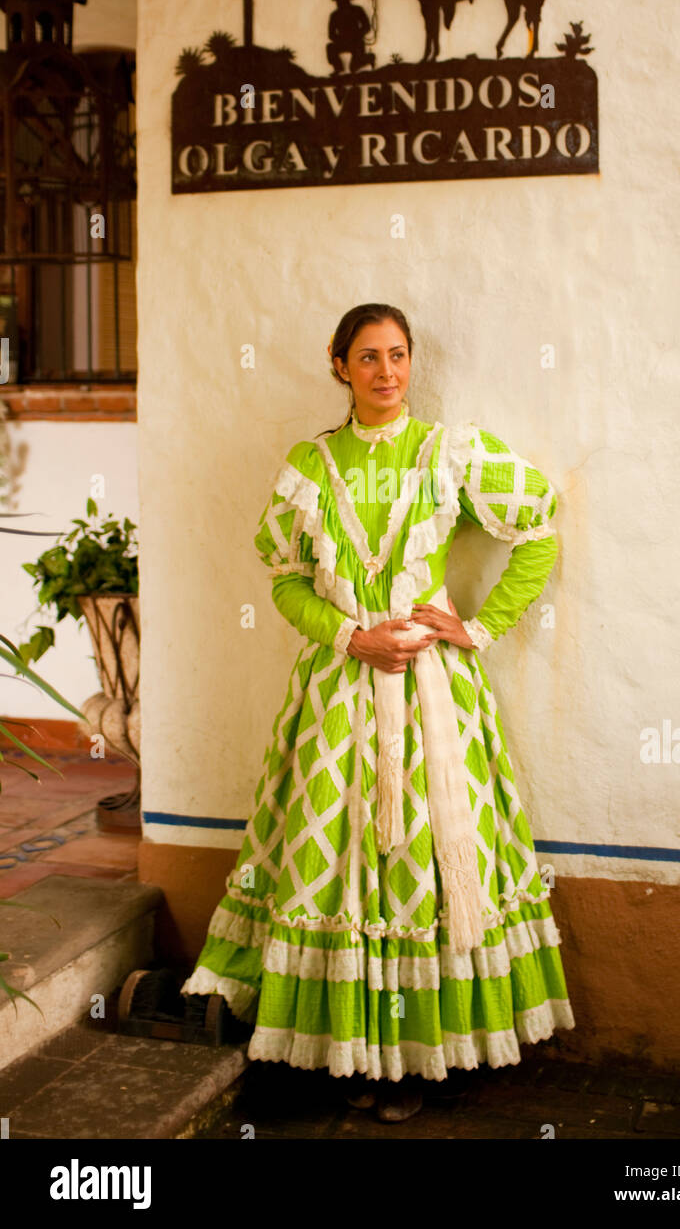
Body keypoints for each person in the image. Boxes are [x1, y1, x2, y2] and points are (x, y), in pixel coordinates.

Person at [181, 303, 575, 1123]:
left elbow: (539, 526)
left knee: (429, 859)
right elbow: (285, 578)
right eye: (368, 357)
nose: (387, 371)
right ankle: (357, 1054)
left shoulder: (447, 452)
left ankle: (435, 1058)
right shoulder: (310, 463)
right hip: (338, 693)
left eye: (398, 355)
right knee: (340, 856)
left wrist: (478, 626)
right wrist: (350, 635)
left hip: (436, 693)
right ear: (338, 364)